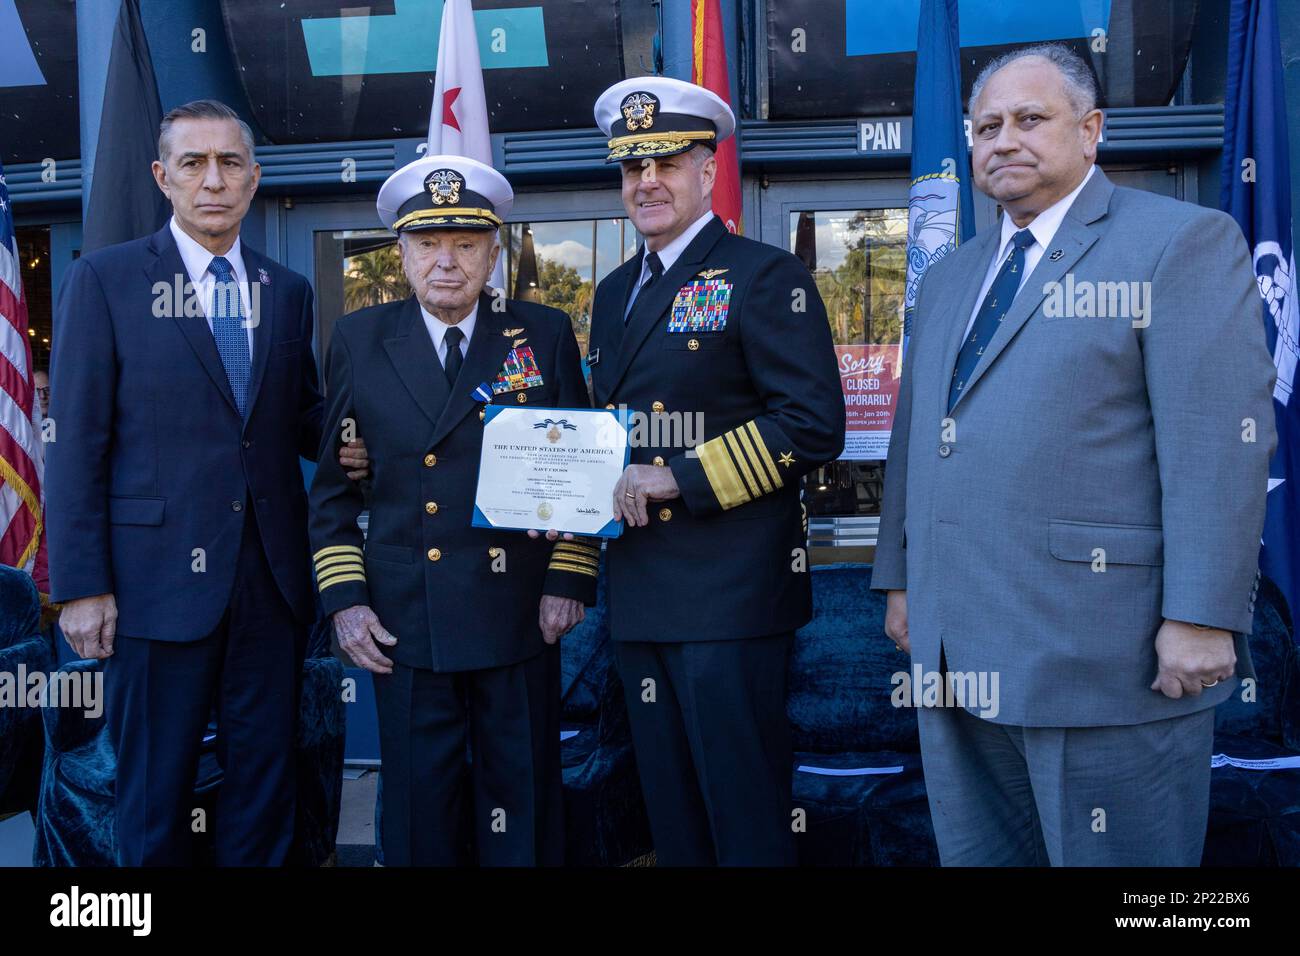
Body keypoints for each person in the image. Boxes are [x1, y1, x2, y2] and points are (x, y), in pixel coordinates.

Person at [872, 44, 1277, 866]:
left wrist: (1199, 617)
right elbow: (919, 438)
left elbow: (1216, 446)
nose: (1003, 140)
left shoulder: (1181, 243)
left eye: (1030, 119)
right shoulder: (950, 278)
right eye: (987, 126)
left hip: (1102, 656)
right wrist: (903, 578)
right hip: (955, 653)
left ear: (1092, 131)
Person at [45, 99, 367, 866]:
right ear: (164, 177)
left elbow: (302, 418)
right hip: (154, 589)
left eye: (230, 164)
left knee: (265, 786)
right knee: (154, 793)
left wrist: (369, 442)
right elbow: (75, 445)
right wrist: (82, 586)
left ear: (254, 181)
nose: (212, 180)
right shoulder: (105, 281)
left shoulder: (285, 291)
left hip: (271, 585)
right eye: (193, 163)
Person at [308, 154, 596, 866]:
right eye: (427, 244)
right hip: (407, 622)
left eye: (465, 244)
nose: (446, 262)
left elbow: (585, 469)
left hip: (519, 614)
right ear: (400, 254)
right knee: (417, 809)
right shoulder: (359, 340)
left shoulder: (543, 331)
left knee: (520, 802)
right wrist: (346, 602)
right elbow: (332, 494)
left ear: (492, 253)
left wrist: (568, 578)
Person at [585, 77, 844, 865]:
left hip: (730, 599)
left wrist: (678, 477)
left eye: (668, 161)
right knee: (672, 816)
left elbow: (812, 426)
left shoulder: (765, 277)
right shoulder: (611, 294)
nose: (648, 182)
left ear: (708, 169)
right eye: (633, 168)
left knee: (743, 813)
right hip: (638, 593)